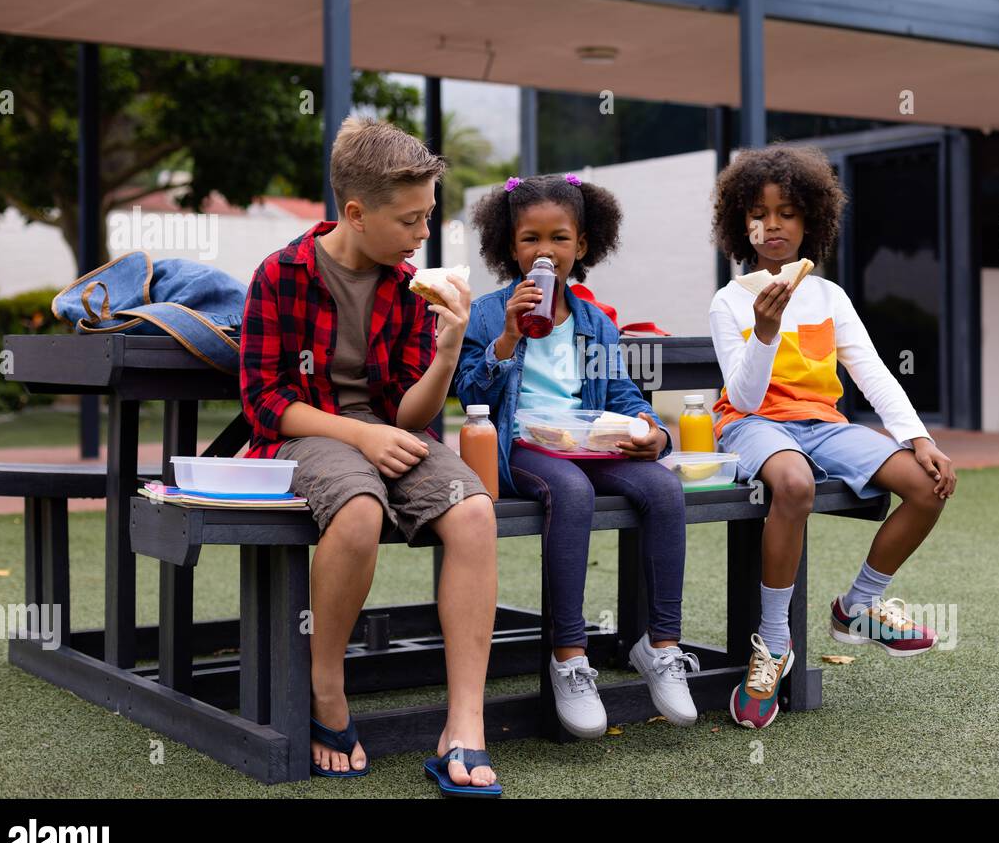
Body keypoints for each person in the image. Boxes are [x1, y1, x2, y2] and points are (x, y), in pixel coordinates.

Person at [240, 116, 500, 794]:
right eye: (410, 221)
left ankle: (463, 724)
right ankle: (328, 690)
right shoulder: (281, 275)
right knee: (356, 511)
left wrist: (446, 354)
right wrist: (360, 434)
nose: (422, 236)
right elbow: (264, 402)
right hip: (304, 439)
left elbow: (411, 414)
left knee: (473, 511)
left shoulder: (410, 287)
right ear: (355, 213)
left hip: (392, 436)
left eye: (427, 218)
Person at [708, 145, 957, 730]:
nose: (772, 225)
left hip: (822, 425)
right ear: (739, 223)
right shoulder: (730, 300)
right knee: (792, 485)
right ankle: (773, 645)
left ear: (811, 221)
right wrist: (765, 331)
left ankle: (859, 606)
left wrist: (917, 437)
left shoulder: (828, 296)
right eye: (759, 213)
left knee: (928, 485)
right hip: (751, 426)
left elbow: (870, 371)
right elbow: (743, 399)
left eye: (788, 212)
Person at [456, 173, 698, 739]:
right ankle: (569, 655)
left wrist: (652, 431)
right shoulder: (490, 314)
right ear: (509, 248)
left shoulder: (596, 325)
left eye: (559, 239)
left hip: (584, 444)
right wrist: (509, 339)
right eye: (530, 239)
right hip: (517, 447)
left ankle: (660, 645)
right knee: (570, 490)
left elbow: (620, 397)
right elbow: (469, 395)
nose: (545, 252)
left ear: (582, 246)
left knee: (663, 486)